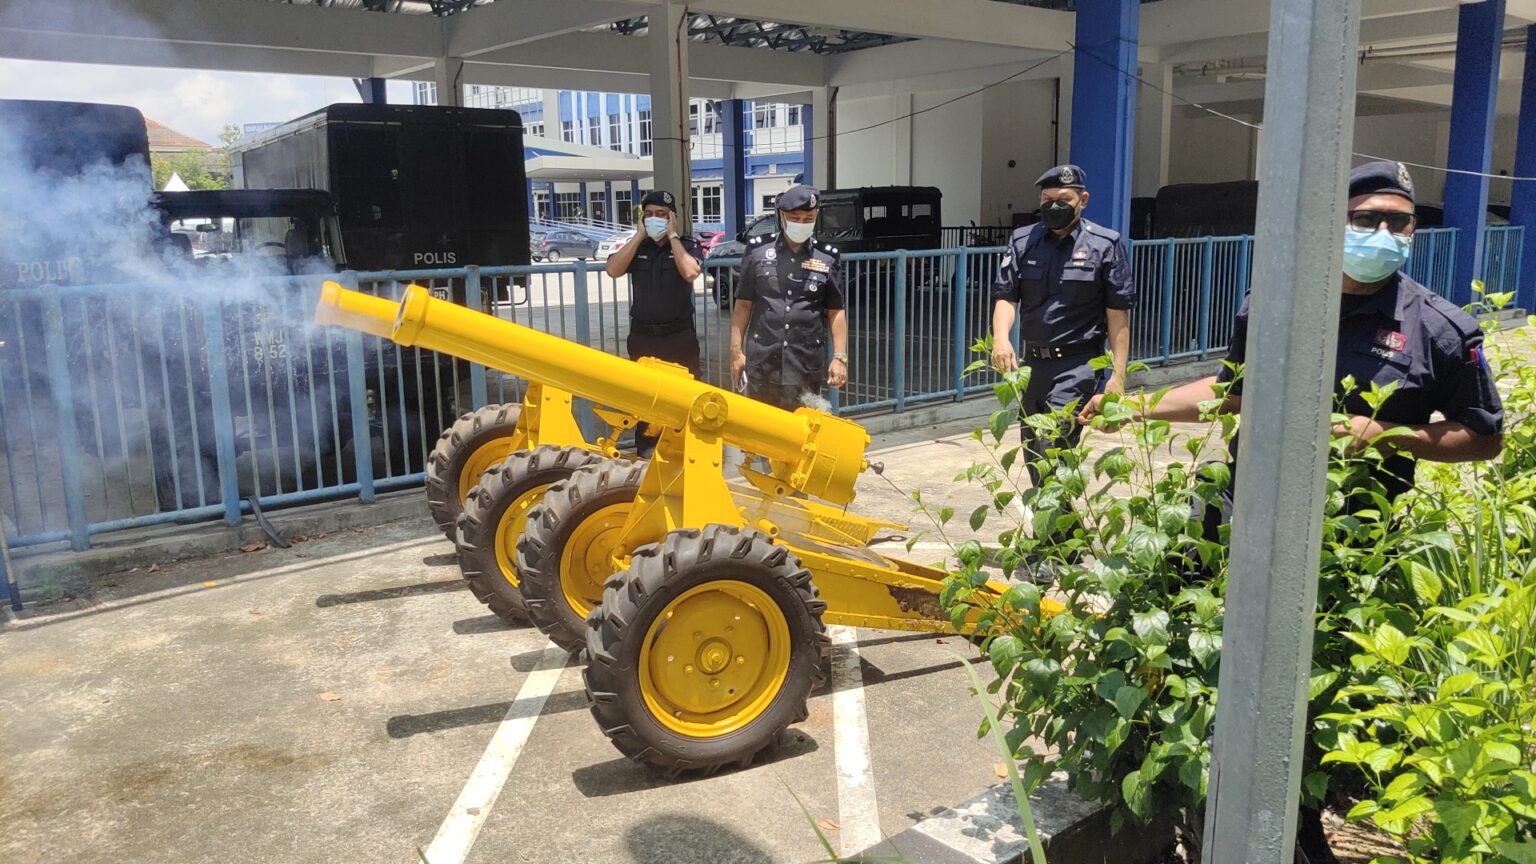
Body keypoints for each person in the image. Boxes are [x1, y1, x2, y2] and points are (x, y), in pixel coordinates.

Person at [1080, 160, 1505, 864]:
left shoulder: (1439, 329)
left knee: (1306, 701)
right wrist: (1136, 409)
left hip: (1347, 556)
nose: (1382, 232)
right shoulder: (1272, 303)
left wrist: (1389, 435)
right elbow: (1233, 391)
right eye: (1366, 218)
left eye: (1398, 222)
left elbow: (1484, 437)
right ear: (1331, 225)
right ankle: (1194, 808)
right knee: (1203, 668)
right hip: (1240, 527)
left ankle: (1298, 829)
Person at [990, 164, 1135, 574]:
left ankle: (1051, 548)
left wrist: (1117, 380)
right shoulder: (1024, 241)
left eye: (1063, 201)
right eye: (1047, 201)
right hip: (1033, 365)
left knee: (1052, 450)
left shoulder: (1105, 245)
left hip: (1078, 365)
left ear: (1082, 201)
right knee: (1037, 457)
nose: (1054, 208)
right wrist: (1002, 338)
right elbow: (1006, 296)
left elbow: (1117, 317)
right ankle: (1066, 541)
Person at [729, 185, 849, 411]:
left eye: (808, 219)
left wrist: (839, 358)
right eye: (795, 218)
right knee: (761, 433)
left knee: (802, 436)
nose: (802, 224)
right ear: (782, 216)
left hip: (805, 365)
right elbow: (742, 306)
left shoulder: (827, 257)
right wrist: (736, 353)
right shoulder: (758, 251)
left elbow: (836, 311)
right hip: (763, 363)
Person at [604, 189, 703, 457]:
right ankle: (646, 454)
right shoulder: (639, 248)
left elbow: (691, 271)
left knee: (683, 399)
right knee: (645, 401)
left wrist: (672, 236)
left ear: (673, 218)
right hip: (644, 339)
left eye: (662, 215)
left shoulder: (687, 246)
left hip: (678, 340)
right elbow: (613, 269)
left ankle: (684, 455)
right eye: (649, 215)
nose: (655, 219)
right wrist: (638, 235)